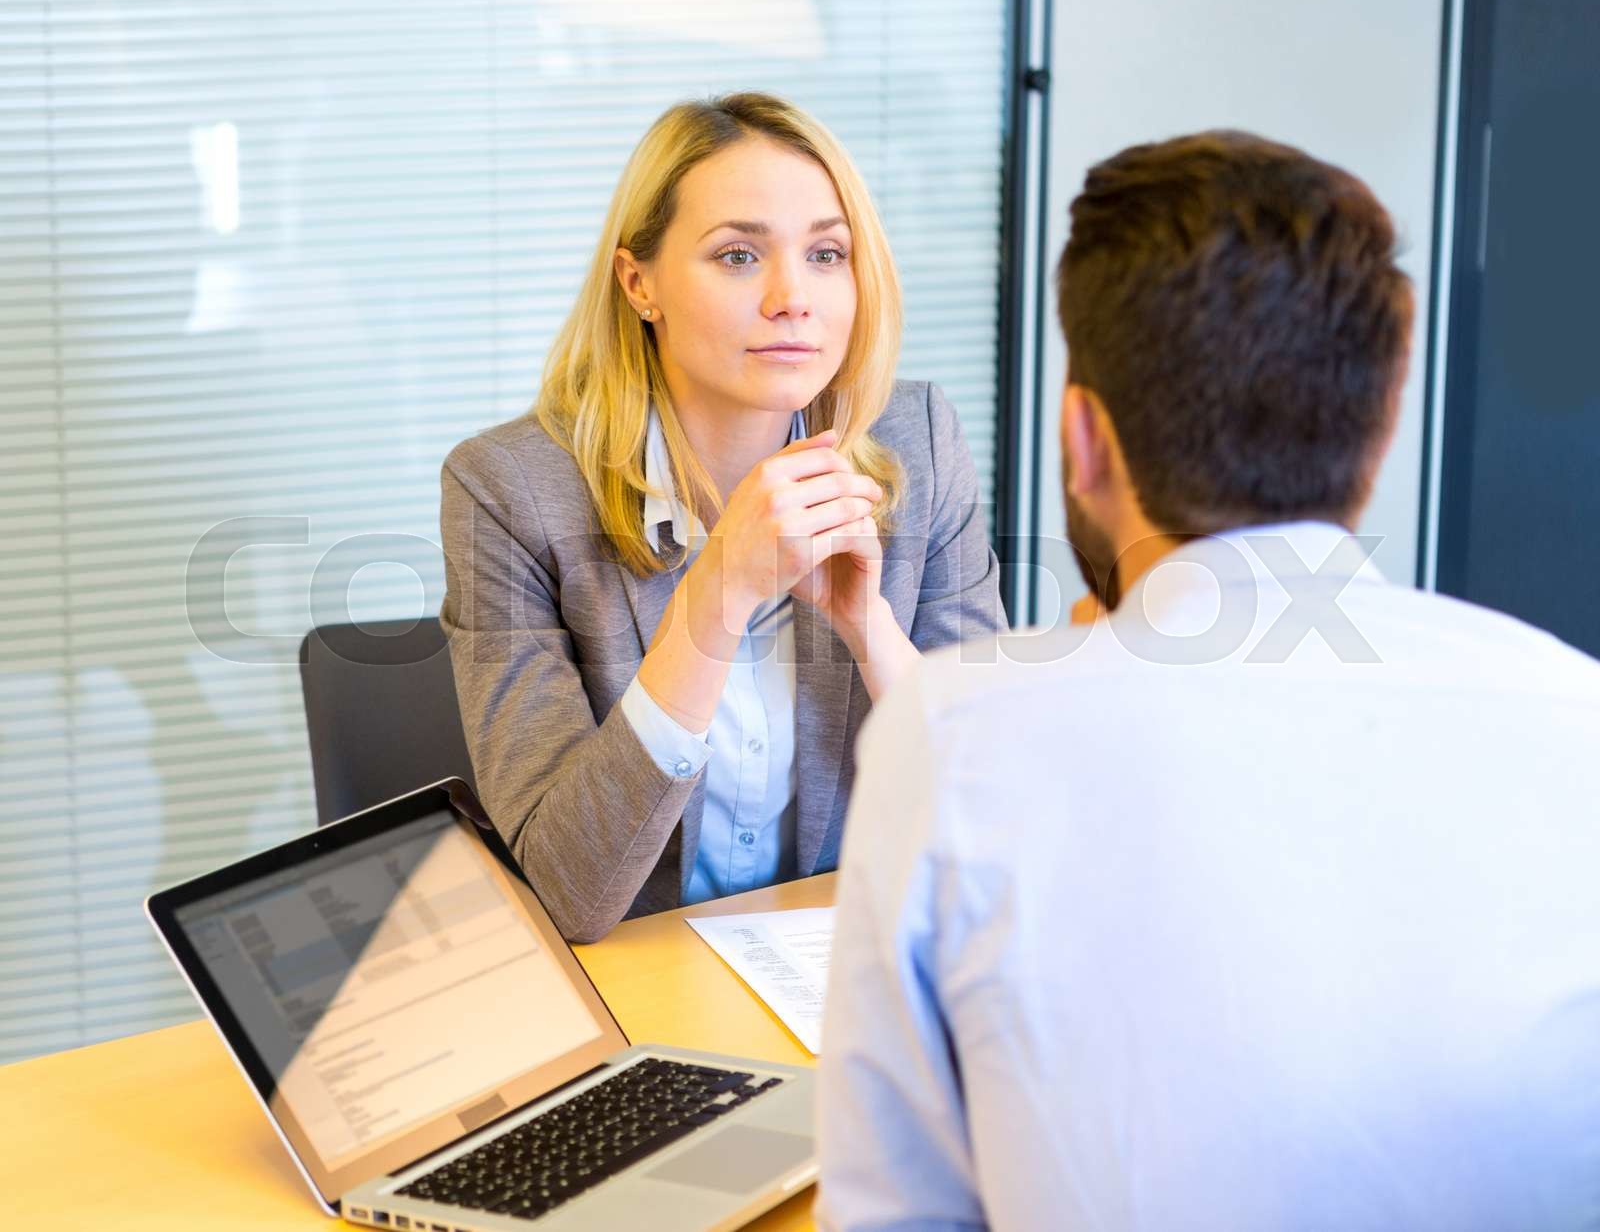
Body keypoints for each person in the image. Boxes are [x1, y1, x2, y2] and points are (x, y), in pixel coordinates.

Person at [817, 131, 1600, 1230]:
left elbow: (895, 1212)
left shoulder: (957, 737)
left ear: (1082, 440)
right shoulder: (1576, 714)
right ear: (1378, 428)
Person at [439, 92, 1003, 944]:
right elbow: (568, 892)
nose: (792, 297)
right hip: (640, 1002)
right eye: (738, 255)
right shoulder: (510, 489)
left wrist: (872, 630)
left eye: (826, 253)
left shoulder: (917, 446)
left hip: (844, 982)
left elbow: (1001, 824)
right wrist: (714, 601)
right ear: (640, 283)